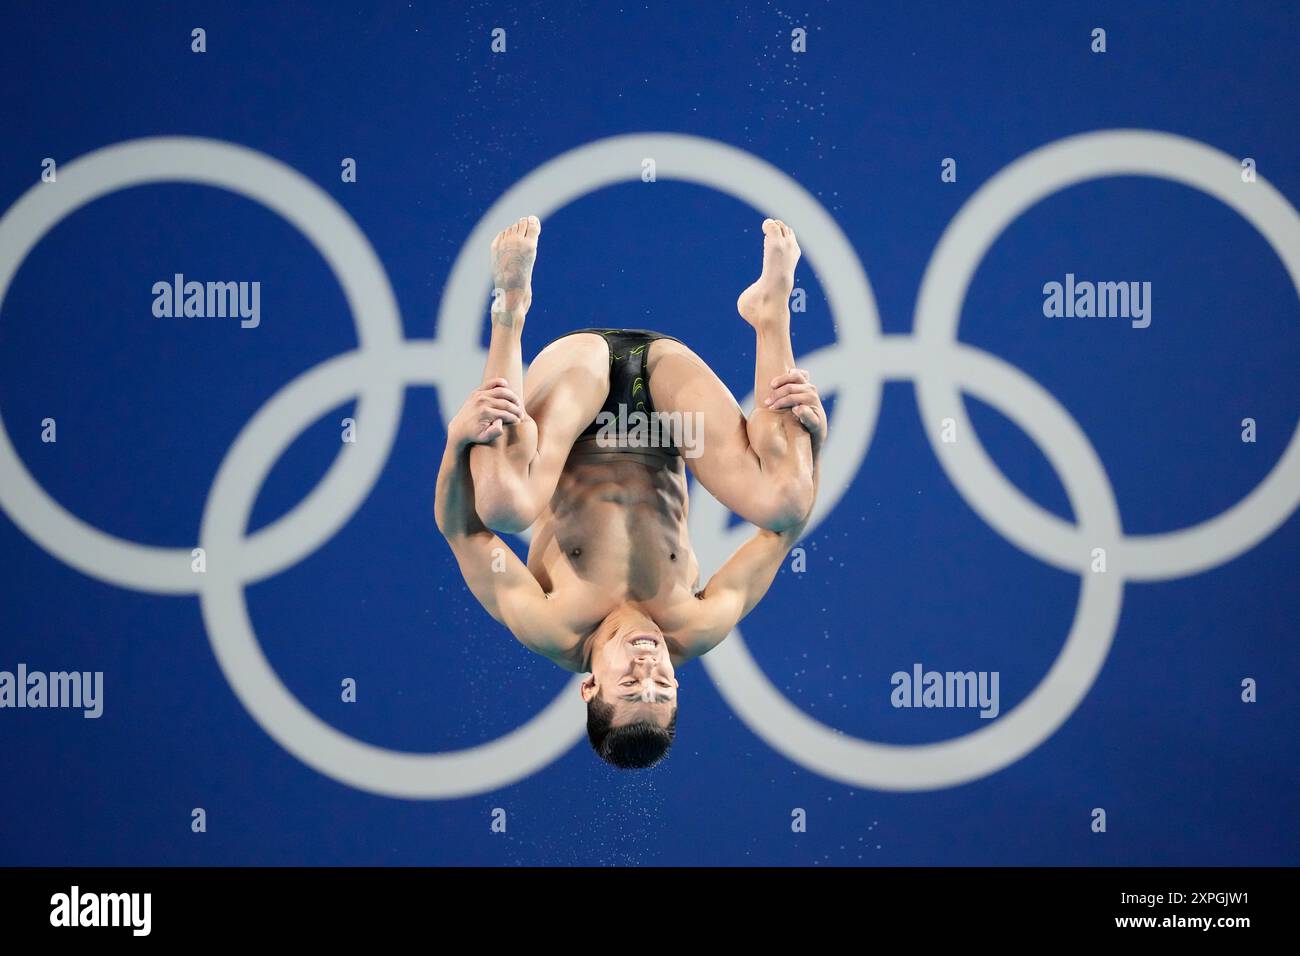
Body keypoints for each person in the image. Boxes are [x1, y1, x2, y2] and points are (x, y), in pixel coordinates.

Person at [435, 215, 826, 769]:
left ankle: (508, 311)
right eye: (662, 688)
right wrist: (814, 441)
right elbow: (783, 532)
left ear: (590, 687)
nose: (648, 669)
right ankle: (770, 314)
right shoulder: (698, 624)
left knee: (504, 505)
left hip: (578, 393)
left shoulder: (547, 623)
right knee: (785, 499)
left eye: (631, 688)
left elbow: (463, 532)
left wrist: (458, 441)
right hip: (668, 407)